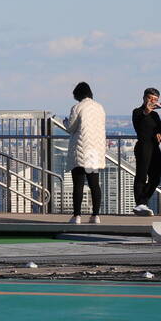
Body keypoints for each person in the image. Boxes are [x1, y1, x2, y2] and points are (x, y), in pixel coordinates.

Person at [65, 81, 106, 225]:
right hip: (94, 151)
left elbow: (70, 127)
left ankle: (76, 216)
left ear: (78, 94)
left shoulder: (77, 107)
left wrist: (65, 122)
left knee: (78, 184)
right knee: (95, 184)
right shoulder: (99, 107)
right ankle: (96, 216)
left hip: (81, 150)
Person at [131, 88, 161, 215]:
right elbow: (139, 125)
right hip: (143, 147)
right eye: (150, 98)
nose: (153, 101)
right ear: (144, 98)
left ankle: (143, 200)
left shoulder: (155, 115)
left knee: (156, 177)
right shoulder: (137, 112)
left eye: (155, 99)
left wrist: (160, 134)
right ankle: (140, 203)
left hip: (155, 148)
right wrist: (146, 111)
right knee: (141, 175)